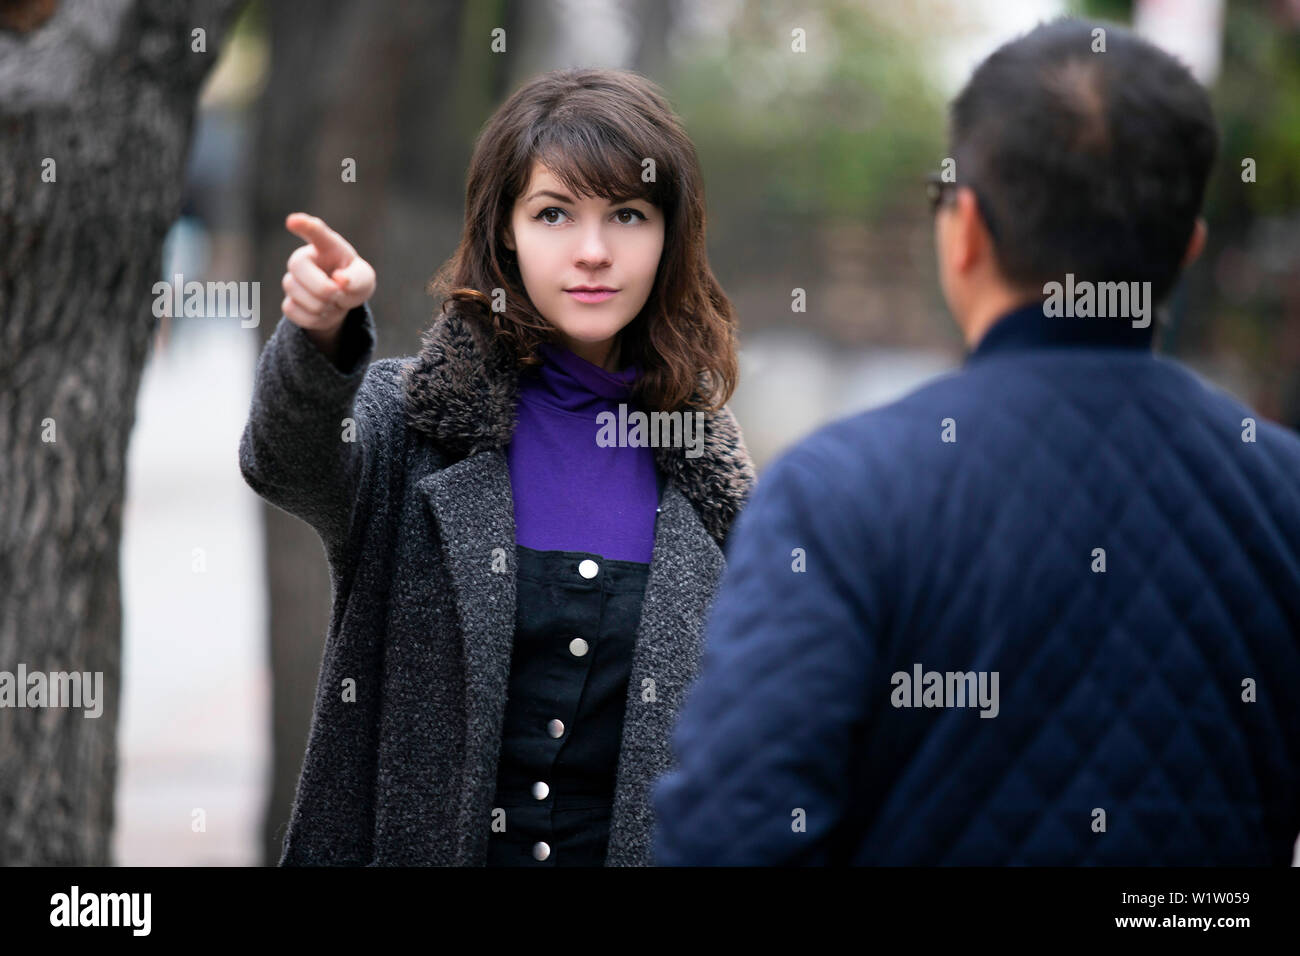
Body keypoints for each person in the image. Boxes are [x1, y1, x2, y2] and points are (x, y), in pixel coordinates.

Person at [652, 18, 1300, 866]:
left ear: (965, 230)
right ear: (1188, 249)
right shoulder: (1283, 491)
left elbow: (725, 838)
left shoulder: (838, 492)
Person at [239, 67, 755, 866]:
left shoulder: (708, 481)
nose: (592, 252)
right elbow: (285, 463)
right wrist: (321, 340)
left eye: (627, 214)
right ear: (506, 231)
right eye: (554, 213)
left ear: (669, 234)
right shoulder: (412, 418)